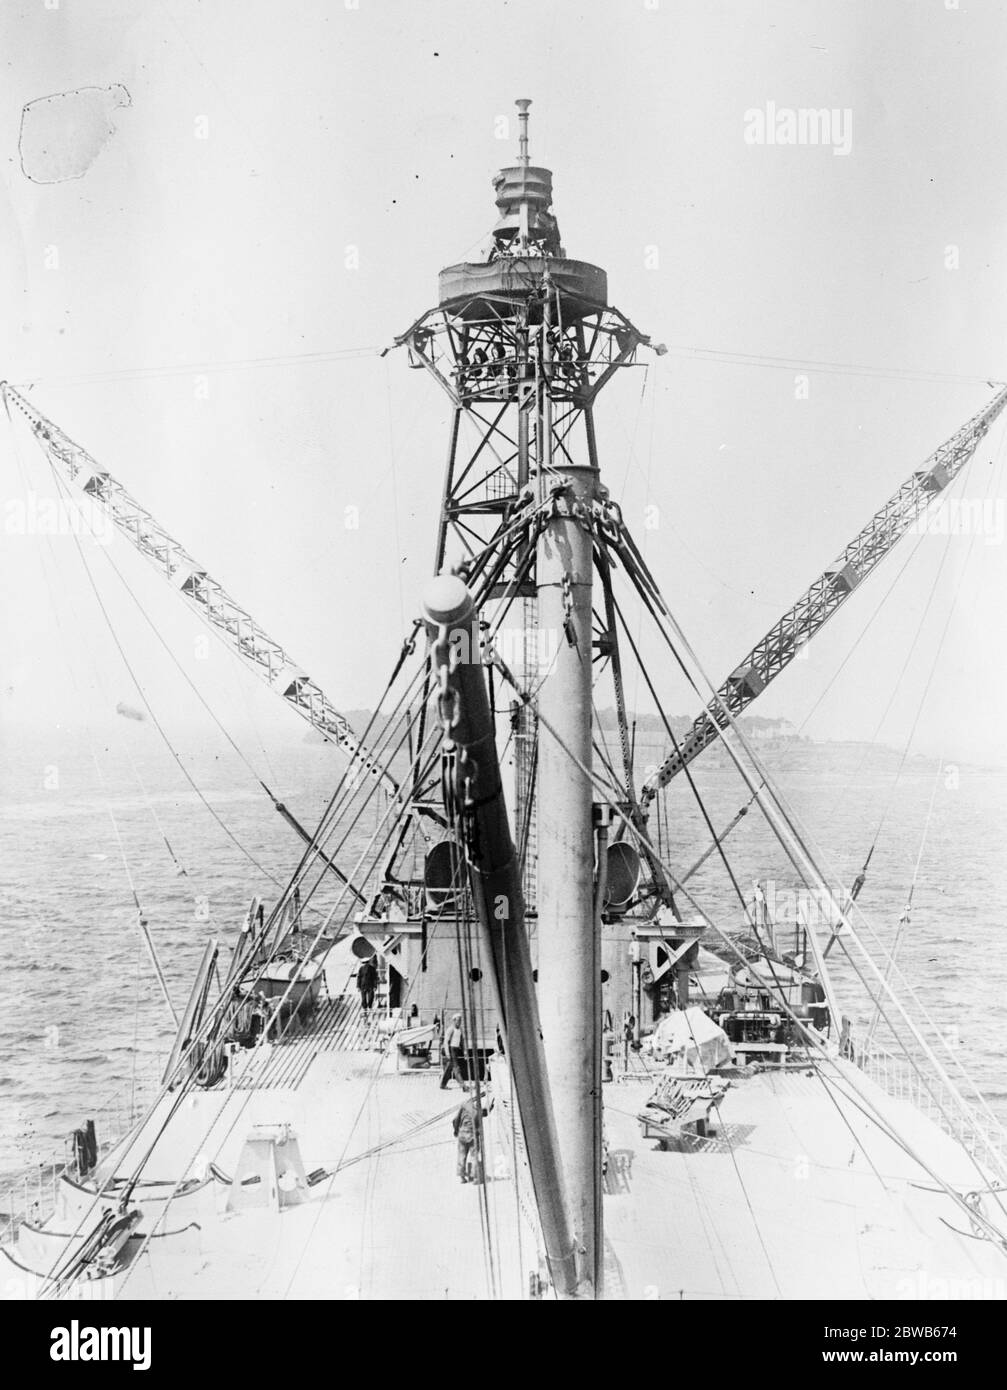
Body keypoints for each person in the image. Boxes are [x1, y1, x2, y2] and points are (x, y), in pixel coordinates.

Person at [452, 1089, 493, 1184]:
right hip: (473, 1135)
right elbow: (486, 1112)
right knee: (474, 1156)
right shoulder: (478, 1111)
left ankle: (462, 1177)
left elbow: (455, 1120)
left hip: (462, 1134)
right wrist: (490, 1105)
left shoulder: (464, 1106)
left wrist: (456, 1130)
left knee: (461, 1155)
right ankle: (475, 1177)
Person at [440, 1012, 465, 1090]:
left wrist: (464, 1051)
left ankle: (443, 1085)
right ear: (454, 1021)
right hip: (451, 1049)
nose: (459, 1022)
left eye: (460, 1021)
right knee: (456, 1068)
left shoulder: (460, 1029)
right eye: (458, 1020)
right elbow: (446, 1042)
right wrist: (447, 1053)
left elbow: (461, 1041)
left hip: (456, 1049)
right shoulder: (451, 1029)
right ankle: (463, 1085)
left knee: (449, 1068)